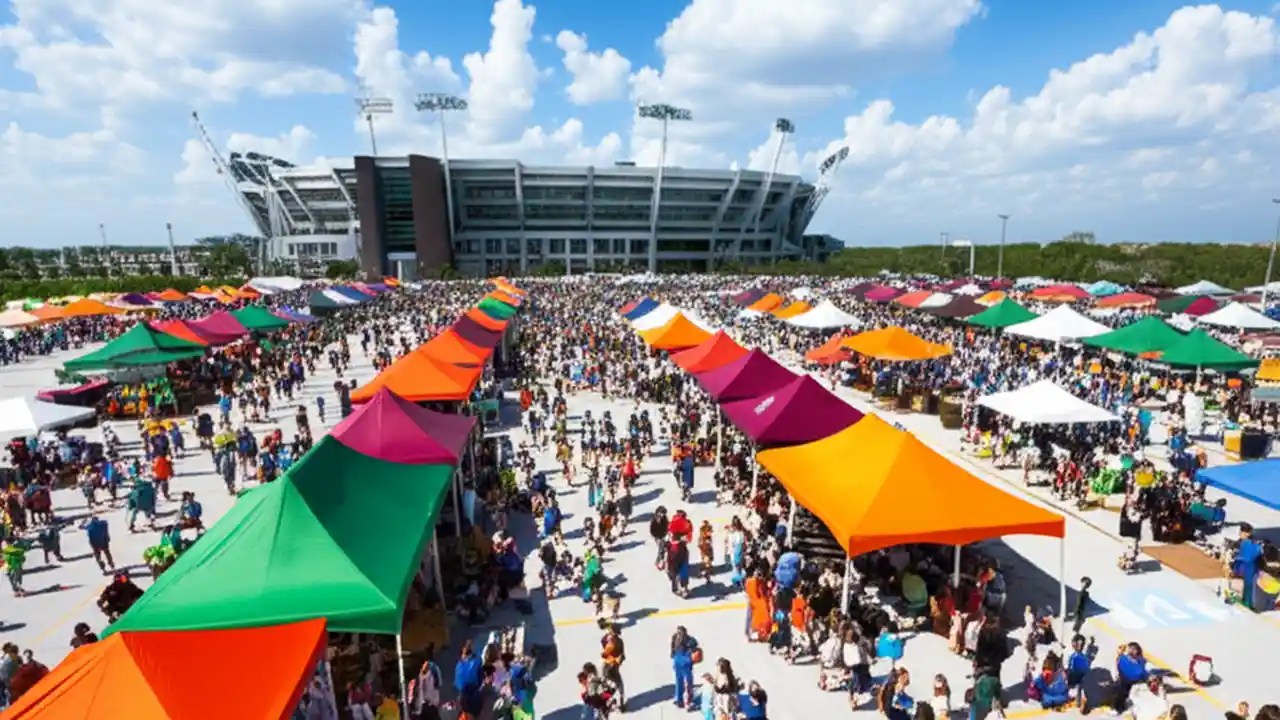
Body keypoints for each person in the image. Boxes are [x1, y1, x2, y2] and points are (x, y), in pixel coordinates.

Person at [454, 640, 484, 720]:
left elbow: (457, 682)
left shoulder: (459, 664)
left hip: (462, 694)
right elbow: (481, 678)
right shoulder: (477, 661)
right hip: (474, 694)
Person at [671, 625, 700, 708]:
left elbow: (672, 652)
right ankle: (688, 701)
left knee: (679, 682)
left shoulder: (675, 638)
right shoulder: (689, 640)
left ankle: (678, 699)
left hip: (678, 662)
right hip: (685, 663)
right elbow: (695, 646)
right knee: (688, 683)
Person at [601, 624, 626, 710]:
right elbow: (622, 656)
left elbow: (604, 654)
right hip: (614, 666)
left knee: (609, 686)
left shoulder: (611, 643)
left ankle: (608, 703)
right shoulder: (620, 641)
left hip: (609, 666)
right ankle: (620, 702)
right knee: (619, 685)